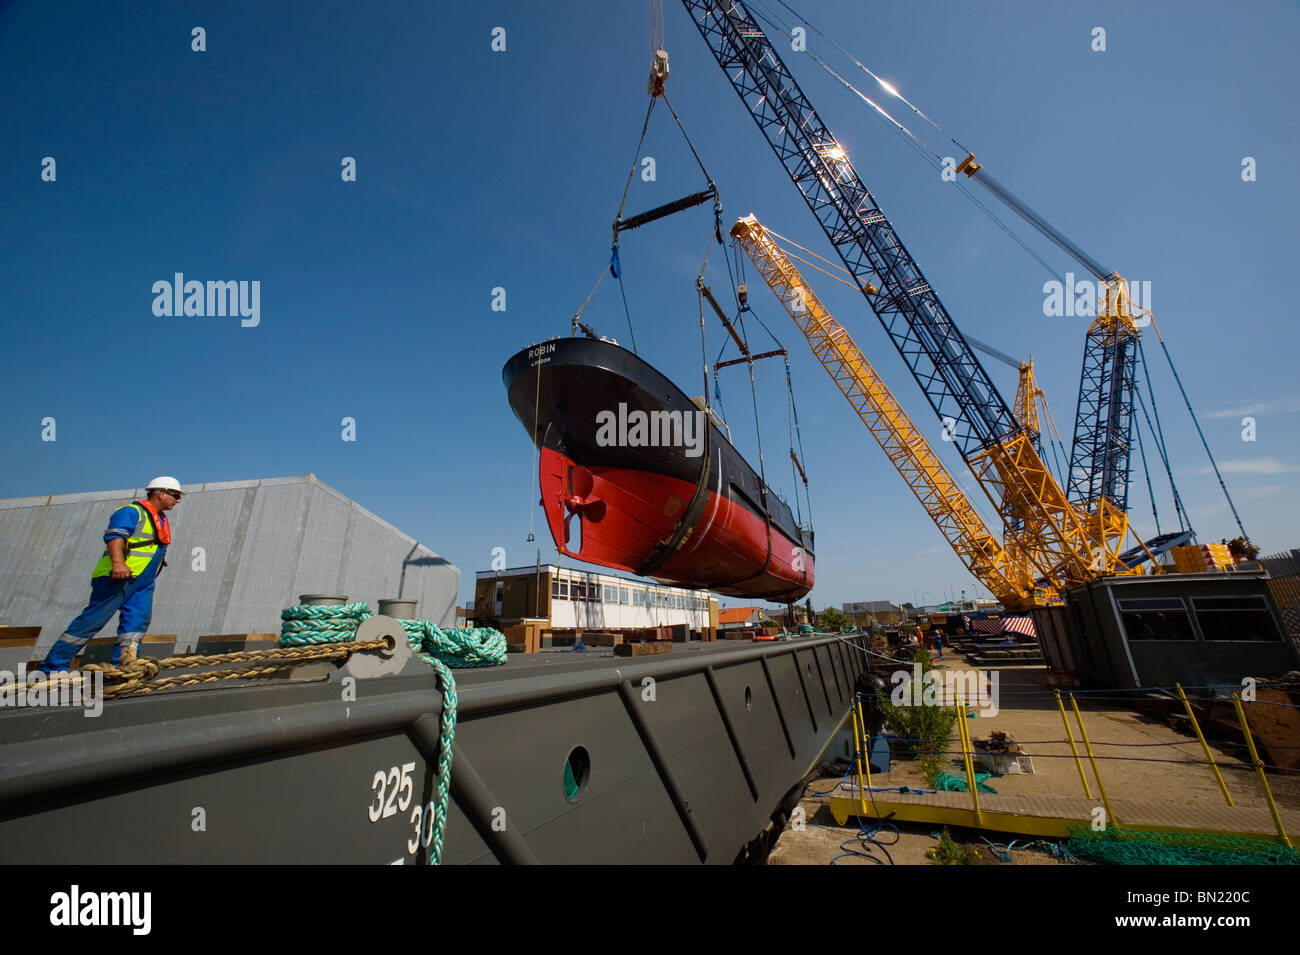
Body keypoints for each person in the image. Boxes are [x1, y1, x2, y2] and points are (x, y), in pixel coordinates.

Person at [36, 477, 182, 673]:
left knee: (136, 624)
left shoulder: (160, 518)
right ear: (161, 493)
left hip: (142, 581)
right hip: (119, 577)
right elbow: (115, 536)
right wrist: (118, 564)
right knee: (92, 621)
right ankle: (52, 668)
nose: (178, 500)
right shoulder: (132, 512)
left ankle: (123, 665)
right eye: (176, 495)